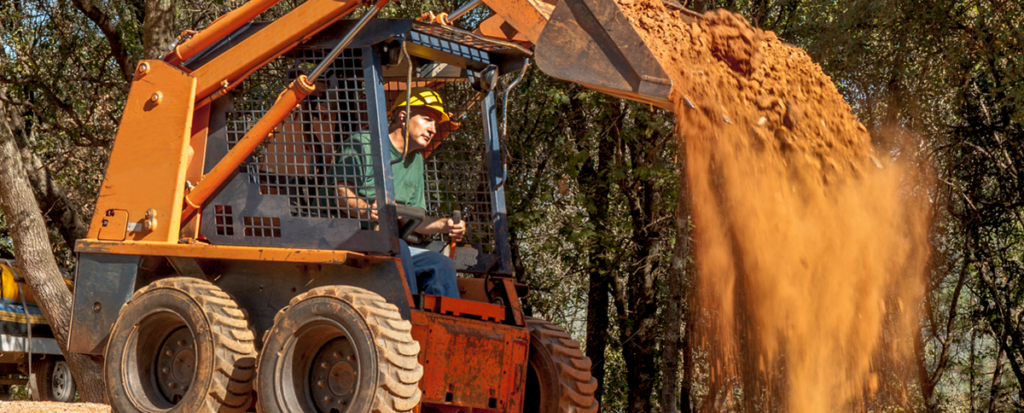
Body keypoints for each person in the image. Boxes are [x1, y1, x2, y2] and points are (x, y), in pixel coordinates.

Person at [335, 87, 465, 298]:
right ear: (403, 117)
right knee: (399, 249)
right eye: (427, 119)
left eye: (435, 124)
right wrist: (366, 210)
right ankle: (407, 319)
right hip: (347, 238)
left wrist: (444, 225)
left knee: (441, 264)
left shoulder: (416, 161)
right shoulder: (363, 144)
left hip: (387, 245)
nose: (433, 129)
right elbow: (340, 191)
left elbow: (412, 219)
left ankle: (444, 325)